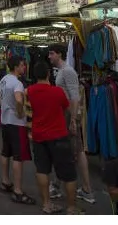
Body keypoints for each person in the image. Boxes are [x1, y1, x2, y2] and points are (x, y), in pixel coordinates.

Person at [26, 61, 80, 215]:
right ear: (49, 74)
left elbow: (26, 109)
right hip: (58, 136)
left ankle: (47, 204)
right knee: (69, 174)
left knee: (42, 170)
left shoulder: (29, 91)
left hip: (39, 136)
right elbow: (65, 107)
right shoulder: (57, 92)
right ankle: (71, 207)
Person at [48, 44, 94, 204]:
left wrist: (73, 119)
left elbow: (75, 97)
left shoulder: (68, 71)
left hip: (69, 115)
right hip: (65, 114)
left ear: (59, 54)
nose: (49, 57)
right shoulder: (62, 71)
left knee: (68, 150)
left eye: (52, 53)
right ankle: (81, 188)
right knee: (74, 150)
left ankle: (59, 185)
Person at [0, 56, 34, 205]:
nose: (24, 68)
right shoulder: (17, 83)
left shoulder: (4, 79)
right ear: (16, 66)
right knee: (18, 156)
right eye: (23, 65)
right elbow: (18, 100)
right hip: (16, 124)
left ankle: (5, 181)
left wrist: (2, 104)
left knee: (5, 152)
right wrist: (19, 112)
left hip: (5, 121)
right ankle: (17, 191)